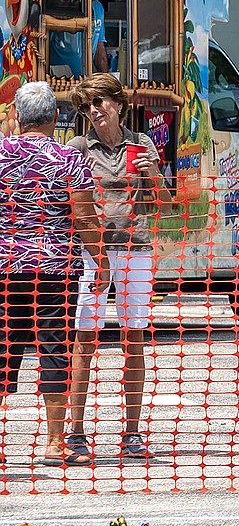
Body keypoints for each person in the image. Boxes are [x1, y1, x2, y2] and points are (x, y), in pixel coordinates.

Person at [67, 72, 169, 463]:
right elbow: (72, 201)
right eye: (87, 106)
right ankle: (76, 433)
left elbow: (165, 202)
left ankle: (131, 433)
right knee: (85, 338)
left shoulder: (141, 143)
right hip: (94, 253)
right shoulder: (77, 146)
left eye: (100, 103)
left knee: (134, 338)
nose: (94, 112)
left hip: (136, 247)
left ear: (119, 104)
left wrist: (152, 171)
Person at [2, 83, 105, 467]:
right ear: (54, 117)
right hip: (53, 268)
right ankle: (54, 442)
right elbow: (84, 216)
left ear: (17, 115)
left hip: (5, 267)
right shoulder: (67, 159)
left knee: (3, 349)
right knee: (53, 349)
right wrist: (102, 258)